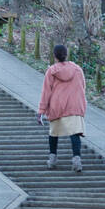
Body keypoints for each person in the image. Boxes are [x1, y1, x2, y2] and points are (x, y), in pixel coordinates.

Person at [37, 43, 87, 172]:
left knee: (54, 133)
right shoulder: (77, 70)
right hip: (74, 105)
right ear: (66, 54)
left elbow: (46, 92)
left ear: (55, 56)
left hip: (57, 105)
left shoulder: (52, 71)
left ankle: (52, 159)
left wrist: (41, 111)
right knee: (75, 133)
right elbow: (82, 88)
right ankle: (77, 160)